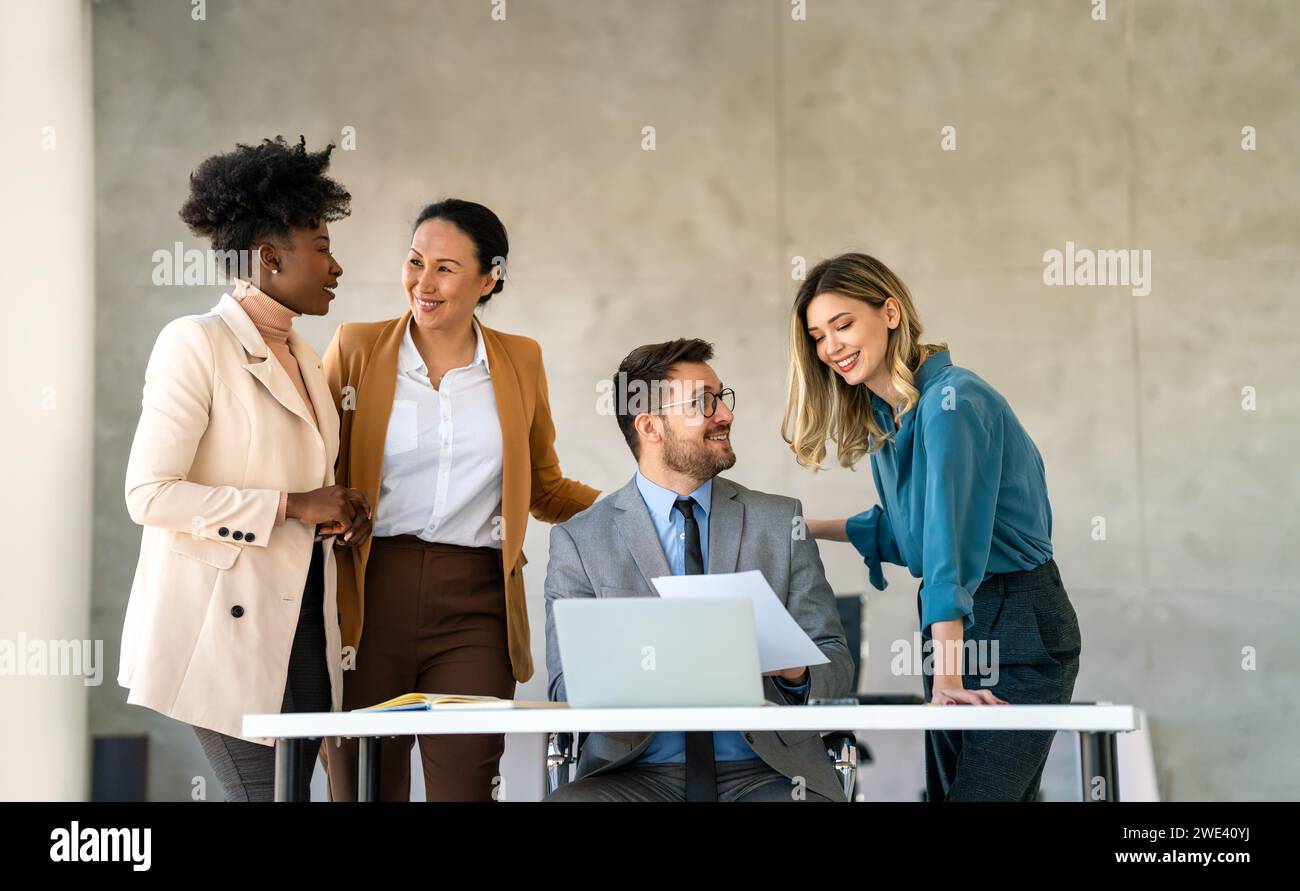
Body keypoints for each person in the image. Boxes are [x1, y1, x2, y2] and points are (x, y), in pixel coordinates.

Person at [321, 199, 600, 801]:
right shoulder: (356, 349)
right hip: (366, 597)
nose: (423, 283)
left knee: (467, 789)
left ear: (489, 276)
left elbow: (545, 487)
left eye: (445, 268)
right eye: (416, 261)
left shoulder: (520, 360)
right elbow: (315, 467)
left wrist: (646, 507)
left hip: (477, 604)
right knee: (364, 791)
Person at [120, 136, 371, 801]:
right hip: (224, 634)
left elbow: (294, 489)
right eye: (321, 246)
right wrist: (291, 505)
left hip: (305, 630)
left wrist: (330, 518)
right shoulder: (194, 343)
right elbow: (149, 494)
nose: (335, 265)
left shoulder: (308, 360)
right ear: (268, 257)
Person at [783, 252, 1082, 801]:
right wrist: (803, 527)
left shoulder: (953, 404)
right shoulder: (891, 418)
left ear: (890, 312)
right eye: (819, 335)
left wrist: (947, 678)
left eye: (844, 324)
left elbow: (948, 546)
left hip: (1013, 617)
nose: (832, 347)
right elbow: (913, 535)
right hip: (956, 626)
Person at [544, 338, 852, 802]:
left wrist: (795, 671)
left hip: (769, 771)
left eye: (722, 398)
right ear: (650, 426)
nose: (724, 415)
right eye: (702, 404)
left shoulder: (779, 521)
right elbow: (564, 687)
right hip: (631, 774)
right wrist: (659, 665)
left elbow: (837, 664)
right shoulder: (580, 540)